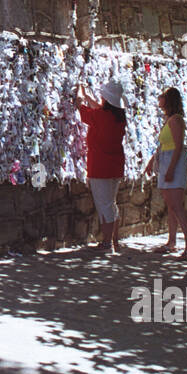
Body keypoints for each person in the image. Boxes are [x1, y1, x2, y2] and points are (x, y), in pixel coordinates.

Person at [76, 81, 127, 255]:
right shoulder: (119, 117)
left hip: (100, 166)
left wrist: (80, 94)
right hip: (115, 166)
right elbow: (99, 110)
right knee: (111, 204)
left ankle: (107, 243)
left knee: (104, 205)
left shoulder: (101, 116)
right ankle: (114, 240)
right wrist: (90, 98)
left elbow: (82, 110)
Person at [144, 86, 187, 257]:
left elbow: (178, 146)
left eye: (162, 96)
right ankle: (172, 241)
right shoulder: (169, 119)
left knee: (176, 205)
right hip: (166, 160)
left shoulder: (176, 120)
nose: (159, 98)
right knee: (171, 206)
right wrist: (152, 162)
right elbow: (163, 145)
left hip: (174, 163)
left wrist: (171, 169)